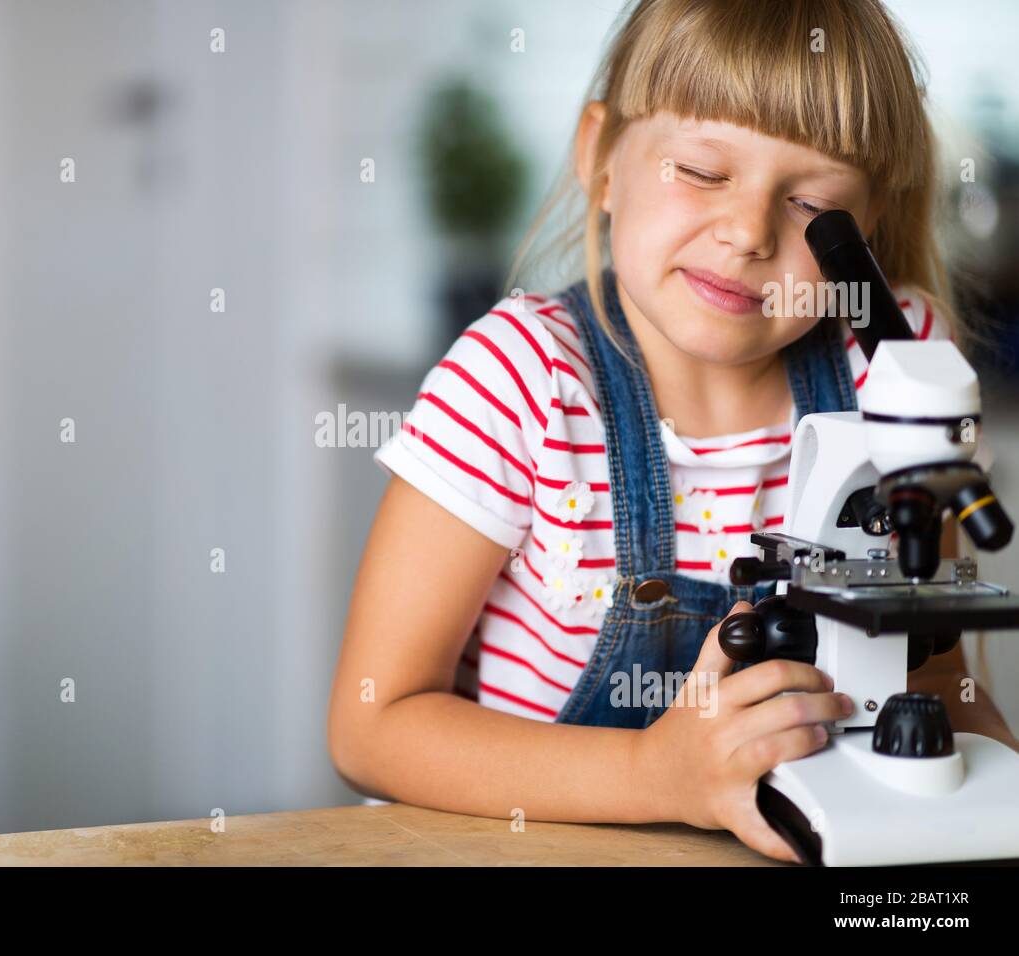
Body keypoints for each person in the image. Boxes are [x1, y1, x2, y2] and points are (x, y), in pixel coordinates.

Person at [327, 0, 1018, 863]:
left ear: (865, 230)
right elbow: (372, 723)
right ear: (602, 158)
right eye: (701, 169)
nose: (748, 232)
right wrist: (657, 775)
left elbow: (939, 672)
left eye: (811, 202)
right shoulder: (520, 381)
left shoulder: (899, 364)